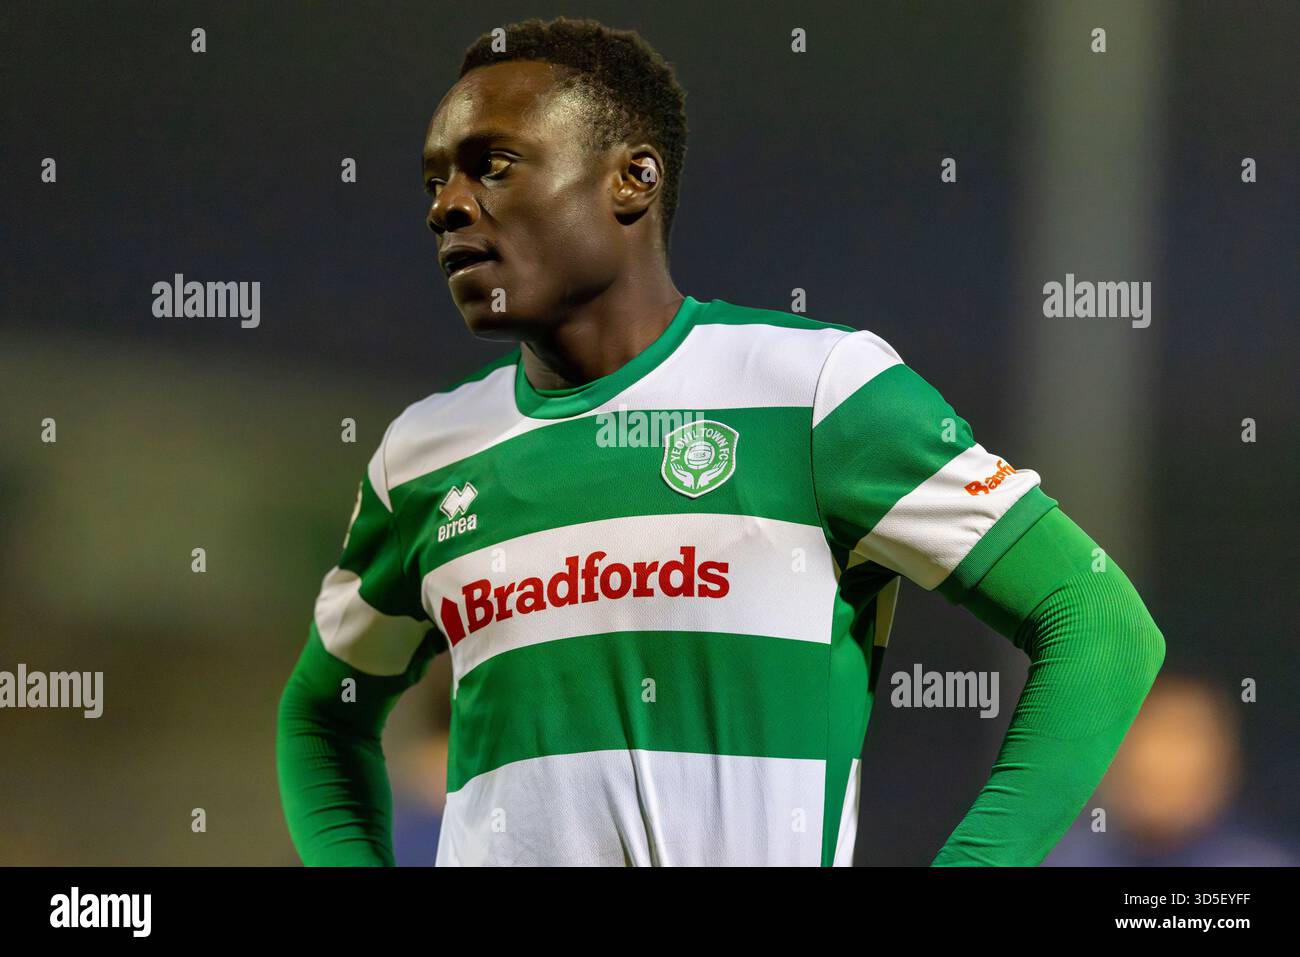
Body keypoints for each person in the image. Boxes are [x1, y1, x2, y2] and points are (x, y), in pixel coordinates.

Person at [277, 16, 1165, 866]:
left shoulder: (816, 392)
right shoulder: (423, 455)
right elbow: (322, 716)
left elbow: (1100, 624)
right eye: (434, 180)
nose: (447, 207)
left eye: (492, 166)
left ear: (632, 178)